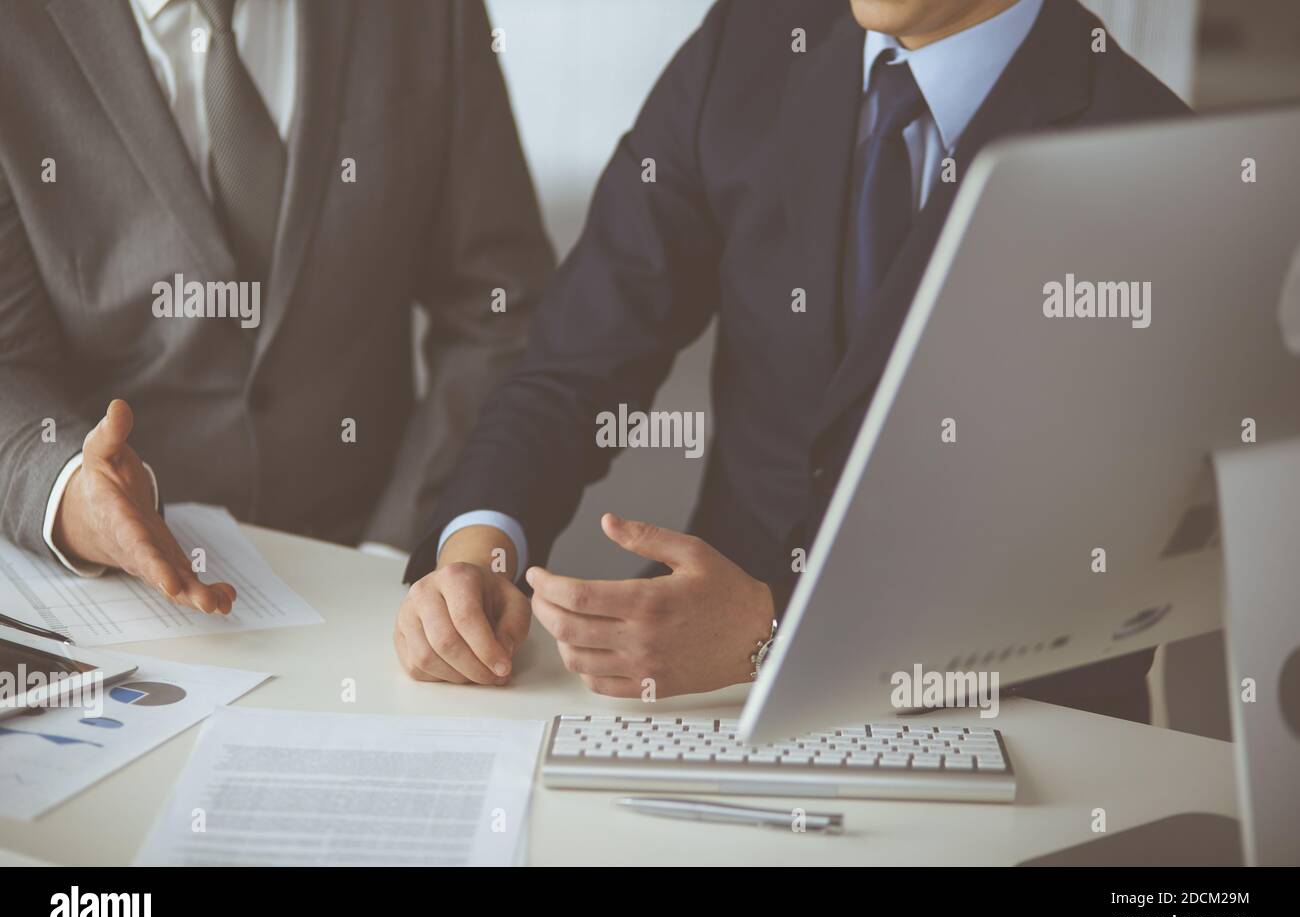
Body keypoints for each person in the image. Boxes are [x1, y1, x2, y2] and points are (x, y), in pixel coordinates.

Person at [393, 0, 1187, 720]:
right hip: (704, 699)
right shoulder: (747, 45)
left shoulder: (1150, 151)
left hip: (1016, 725)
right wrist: (477, 548)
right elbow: (578, 357)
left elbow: (1100, 571)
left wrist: (773, 629)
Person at [0, 0, 553, 613]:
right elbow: (7, 361)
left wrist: (402, 553)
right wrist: (70, 492)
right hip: (113, 599)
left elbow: (499, 308)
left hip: (387, 571)